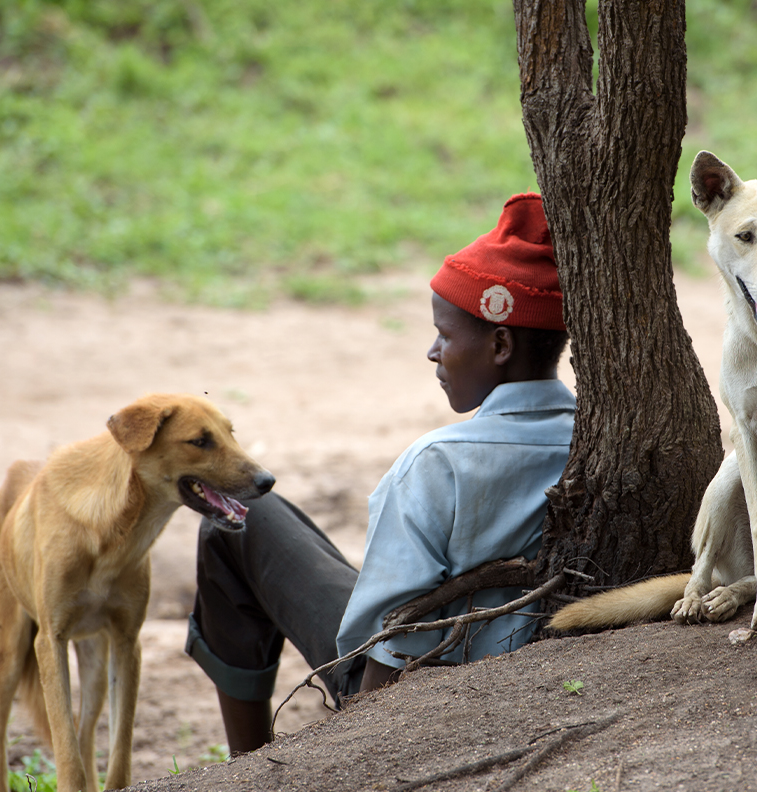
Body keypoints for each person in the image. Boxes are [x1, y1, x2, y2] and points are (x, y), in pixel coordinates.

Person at [184, 193, 575, 754]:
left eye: (445, 335)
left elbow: (390, 643)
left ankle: (244, 764)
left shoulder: (438, 464)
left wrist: (364, 747)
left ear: (501, 343)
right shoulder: (594, 437)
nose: (432, 351)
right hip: (541, 678)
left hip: (409, 699)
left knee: (242, 522)